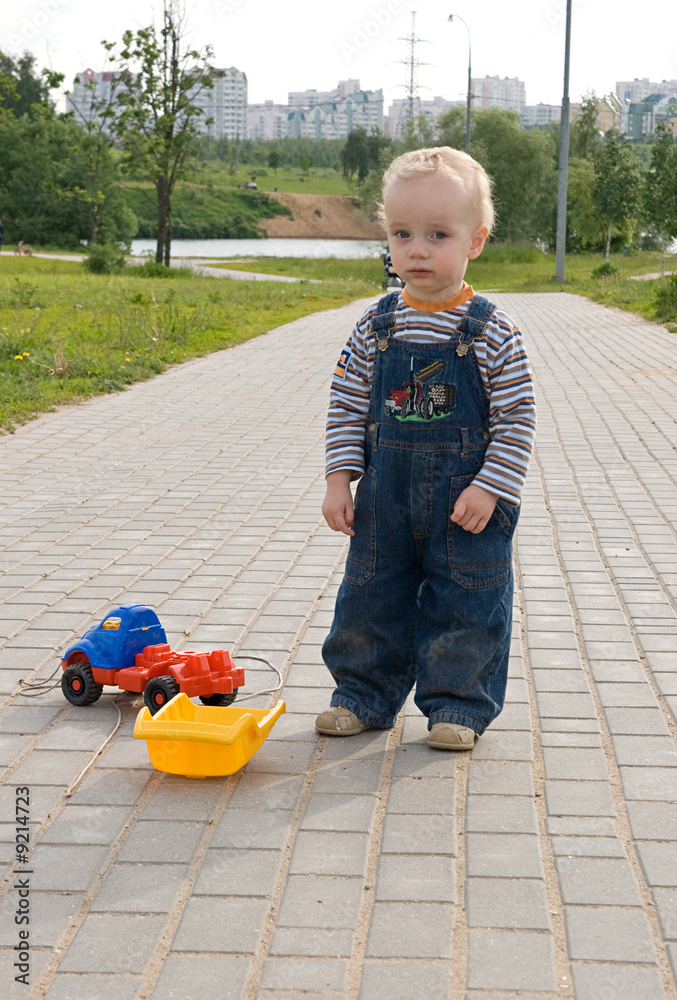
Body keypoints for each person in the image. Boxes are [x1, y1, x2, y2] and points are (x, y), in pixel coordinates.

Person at [315, 147, 536, 750]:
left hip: (467, 502)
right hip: (385, 499)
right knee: (368, 596)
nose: (416, 249)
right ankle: (361, 696)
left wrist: (490, 486)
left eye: (438, 235)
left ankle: (457, 706)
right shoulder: (375, 326)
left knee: (467, 603)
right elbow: (347, 406)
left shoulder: (492, 331)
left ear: (476, 241)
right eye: (402, 233)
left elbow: (517, 419)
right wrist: (340, 478)